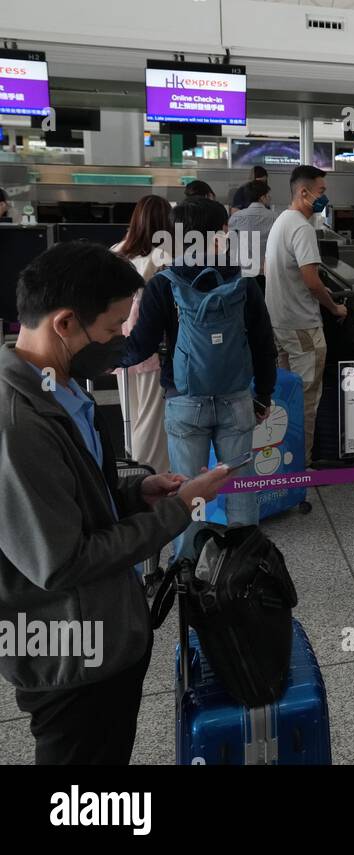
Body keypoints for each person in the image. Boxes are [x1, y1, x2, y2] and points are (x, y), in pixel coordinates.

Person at [0, 241, 230, 764]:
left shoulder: (63, 390)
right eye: (111, 329)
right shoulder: (17, 424)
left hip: (108, 634)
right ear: (64, 324)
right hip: (71, 660)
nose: (122, 341)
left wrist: (133, 493)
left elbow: (74, 499)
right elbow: (61, 561)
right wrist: (177, 510)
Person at [121, 197, 277, 558]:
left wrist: (100, 353)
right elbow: (263, 345)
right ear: (222, 232)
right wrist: (263, 396)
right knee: (240, 488)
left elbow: (140, 347)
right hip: (236, 398)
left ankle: (188, 572)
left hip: (184, 399)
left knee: (186, 493)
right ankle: (245, 569)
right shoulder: (243, 281)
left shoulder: (164, 283)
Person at [264, 164, 345, 467]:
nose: (325, 197)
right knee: (306, 402)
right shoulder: (301, 227)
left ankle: (283, 461)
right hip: (303, 327)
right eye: (321, 191)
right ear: (303, 192)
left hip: (281, 324)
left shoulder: (281, 221)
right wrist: (334, 307)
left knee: (285, 398)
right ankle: (302, 466)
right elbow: (311, 280)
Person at [109, 194, 173, 476]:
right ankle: (149, 478)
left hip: (119, 344)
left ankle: (136, 470)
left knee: (131, 415)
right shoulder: (163, 254)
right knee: (151, 419)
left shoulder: (116, 250)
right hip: (150, 346)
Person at [227, 180, 276, 284]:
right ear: (262, 197)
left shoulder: (237, 217)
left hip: (244, 271)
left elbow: (228, 237)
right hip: (267, 271)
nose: (270, 198)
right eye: (268, 195)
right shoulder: (274, 217)